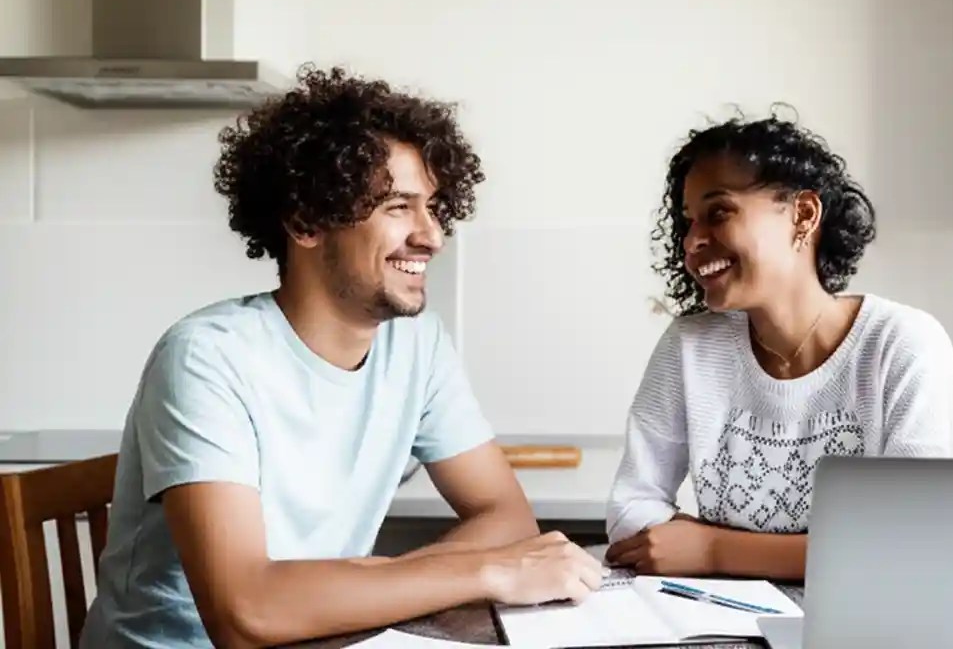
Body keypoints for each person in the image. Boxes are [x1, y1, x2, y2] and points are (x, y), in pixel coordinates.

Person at [81, 66, 603, 649]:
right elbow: (246, 613)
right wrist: (485, 570)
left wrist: (369, 580)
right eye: (399, 207)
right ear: (306, 220)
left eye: (433, 207)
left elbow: (507, 518)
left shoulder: (418, 345)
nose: (431, 236)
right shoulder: (206, 357)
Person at [604, 109, 953, 580]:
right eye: (688, 222)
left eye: (718, 213)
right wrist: (831, 556)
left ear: (804, 214)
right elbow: (630, 510)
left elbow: (920, 546)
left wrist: (715, 551)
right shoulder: (690, 348)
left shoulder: (902, 346)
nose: (692, 241)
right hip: (718, 624)